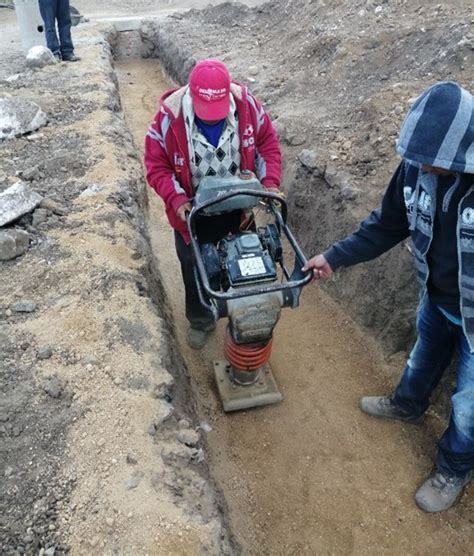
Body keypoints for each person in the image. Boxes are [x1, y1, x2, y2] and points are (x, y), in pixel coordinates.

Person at [303, 81, 474, 513]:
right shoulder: (418, 167)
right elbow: (387, 224)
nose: (422, 168)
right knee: (421, 357)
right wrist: (334, 257)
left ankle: (453, 467)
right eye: (417, 158)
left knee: (469, 408)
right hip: (437, 296)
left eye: (433, 162)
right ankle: (407, 405)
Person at [144, 59, 281, 349]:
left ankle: (242, 313)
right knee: (194, 267)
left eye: (217, 114)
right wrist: (176, 198)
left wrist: (269, 183)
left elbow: (268, 142)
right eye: (206, 114)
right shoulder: (169, 118)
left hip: (239, 207)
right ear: (191, 95)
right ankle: (201, 319)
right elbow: (156, 165)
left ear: (228, 96)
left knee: (247, 263)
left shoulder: (248, 107)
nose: (212, 119)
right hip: (193, 213)